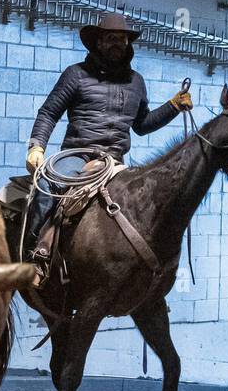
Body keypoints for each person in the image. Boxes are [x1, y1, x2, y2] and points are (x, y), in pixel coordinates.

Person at [23, 14, 194, 284]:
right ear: (99, 43)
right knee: (47, 185)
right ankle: (35, 255)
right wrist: (37, 147)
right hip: (76, 155)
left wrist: (173, 106)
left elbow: (142, 125)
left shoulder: (136, 82)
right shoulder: (75, 75)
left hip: (115, 161)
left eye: (122, 39)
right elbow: (48, 113)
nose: (118, 43)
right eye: (111, 39)